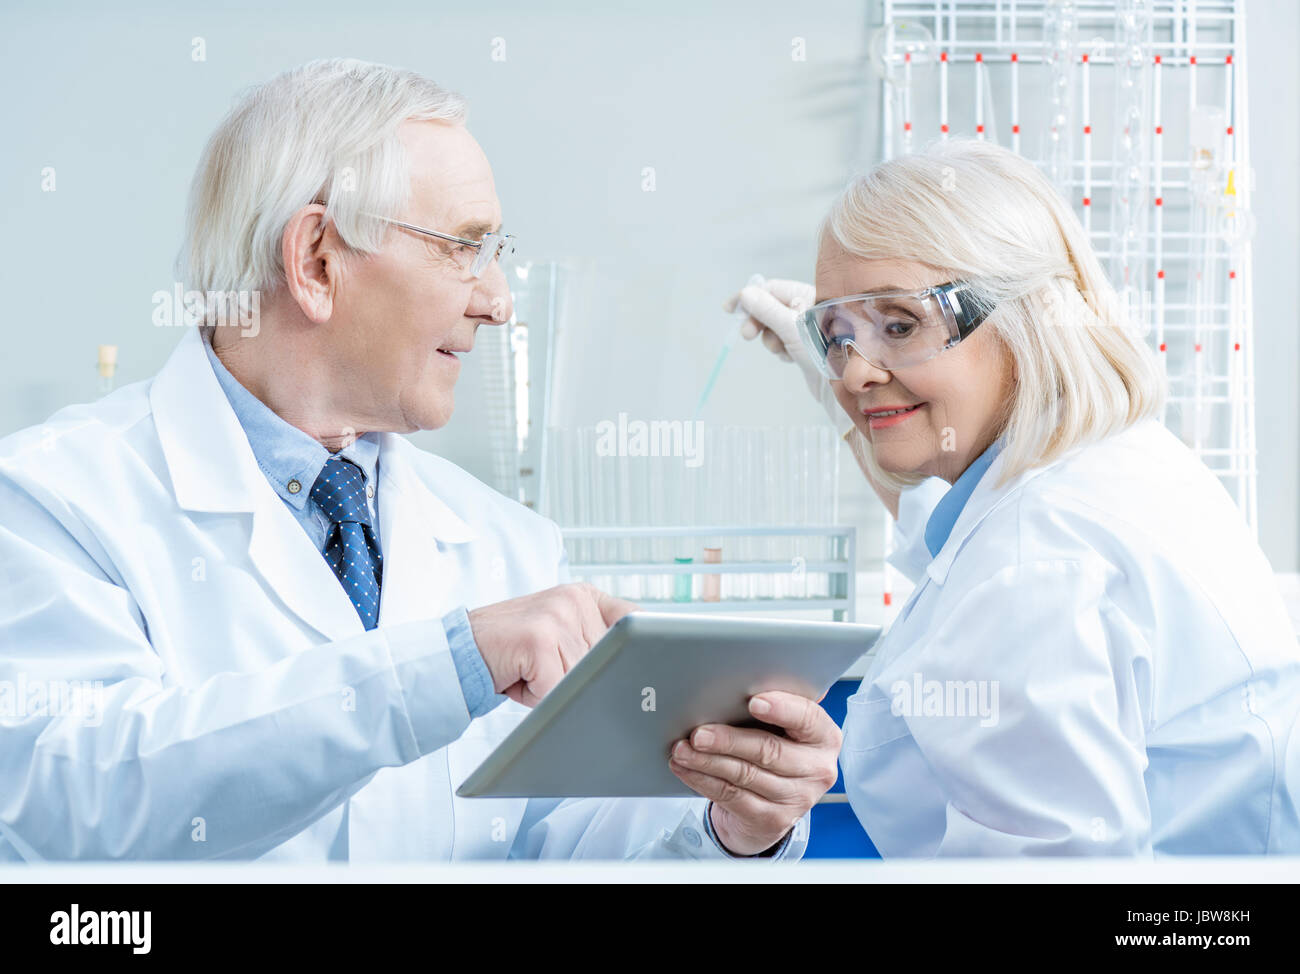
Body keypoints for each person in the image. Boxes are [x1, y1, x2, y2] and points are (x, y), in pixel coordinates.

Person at [0, 59, 841, 862]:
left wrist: (731, 824)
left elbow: (569, 851)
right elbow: (70, 807)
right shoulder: (53, 499)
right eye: (463, 247)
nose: (499, 302)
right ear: (318, 261)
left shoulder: (503, 541)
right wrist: (450, 665)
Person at [730, 137, 1300, 855]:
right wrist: (831, 370)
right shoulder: (1114, 463)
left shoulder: (1035, 558)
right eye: (838, 335)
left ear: (1025, 318)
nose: (854, 374)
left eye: (900, 324)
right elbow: (949, 538)